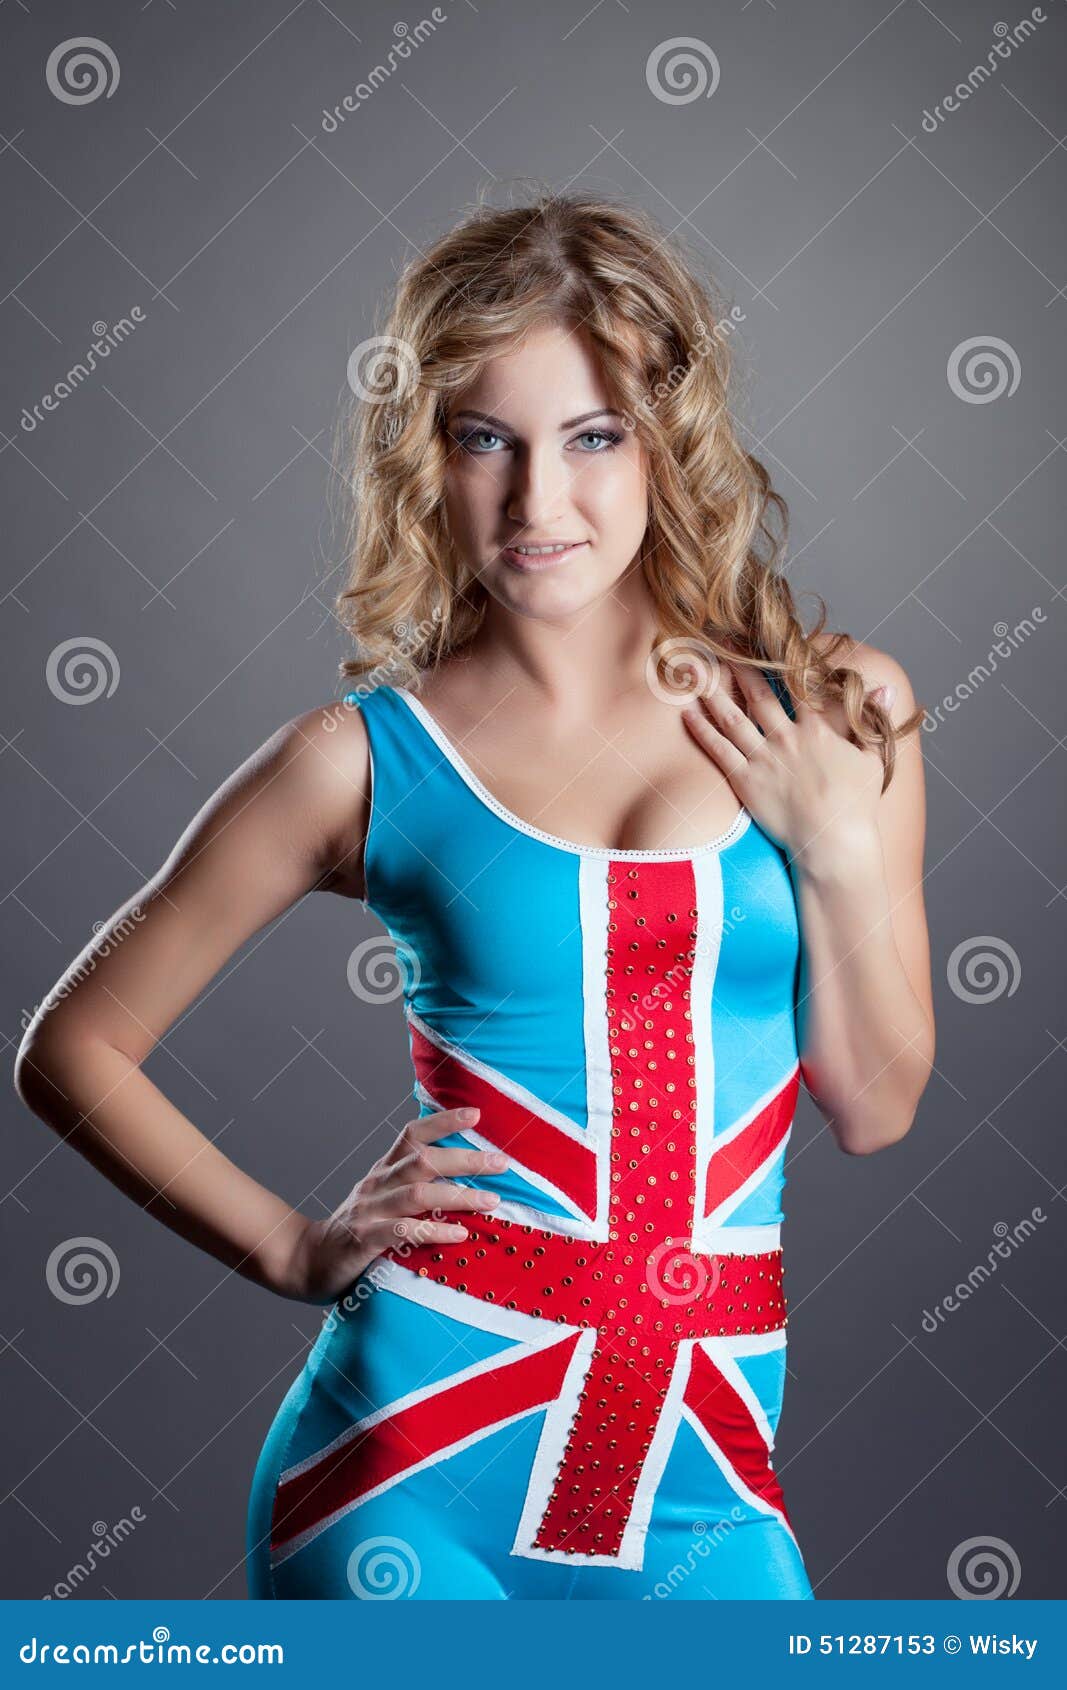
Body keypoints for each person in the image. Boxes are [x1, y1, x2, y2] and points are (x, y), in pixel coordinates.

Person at [14, 189, 935, 1601]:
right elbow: (72, 1048)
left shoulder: (834, 706)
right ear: (427, 456)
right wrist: (293, 1246)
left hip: (704, 1484)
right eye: (484, 438)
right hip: (405, 1476)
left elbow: (874, 1105)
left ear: (669, 436)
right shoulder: (359, 761)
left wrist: (839, 847)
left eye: (593, 436)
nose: (538, 501)